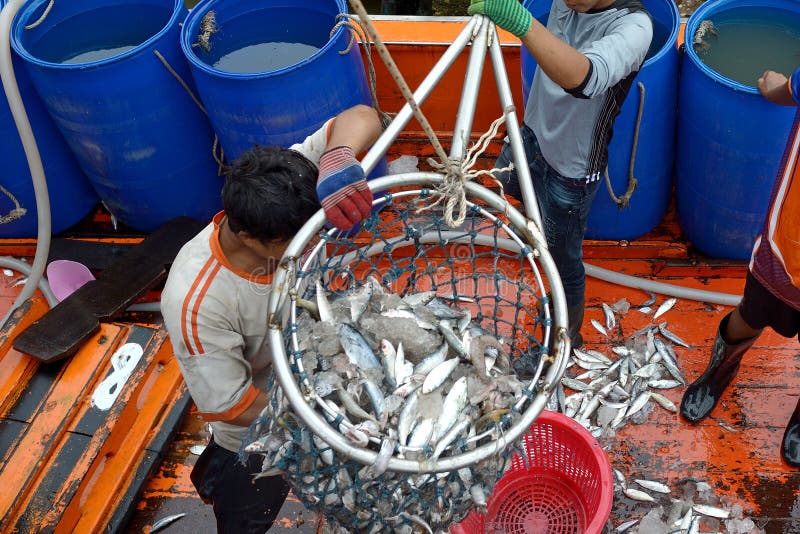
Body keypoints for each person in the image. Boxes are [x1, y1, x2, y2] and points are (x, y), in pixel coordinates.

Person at [160, 104, 382, 532]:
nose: (305, 245)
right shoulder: (196, 302)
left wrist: (338, 156)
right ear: (247, 237)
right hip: (259, 426)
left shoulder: (282, 187)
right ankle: (224, 487)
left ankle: (210, 475)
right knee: (247, 505)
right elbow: (231, 406)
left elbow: (362, 116)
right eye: (290, 242)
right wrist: (323, 421)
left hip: (304, 362)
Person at [466, 0, 653, 348]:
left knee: (563, 261)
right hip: (531, 137)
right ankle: (534, 233)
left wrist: (521, 22)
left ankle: (565, 341)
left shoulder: (636, 28)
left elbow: (583, 78)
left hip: (572, 171)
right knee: (508, 191)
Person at [681, 67, 800, 467]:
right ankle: (721, 370)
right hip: (791, 243)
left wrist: (774, 85)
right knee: (751, 314)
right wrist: (775, 86)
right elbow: (784, 90)